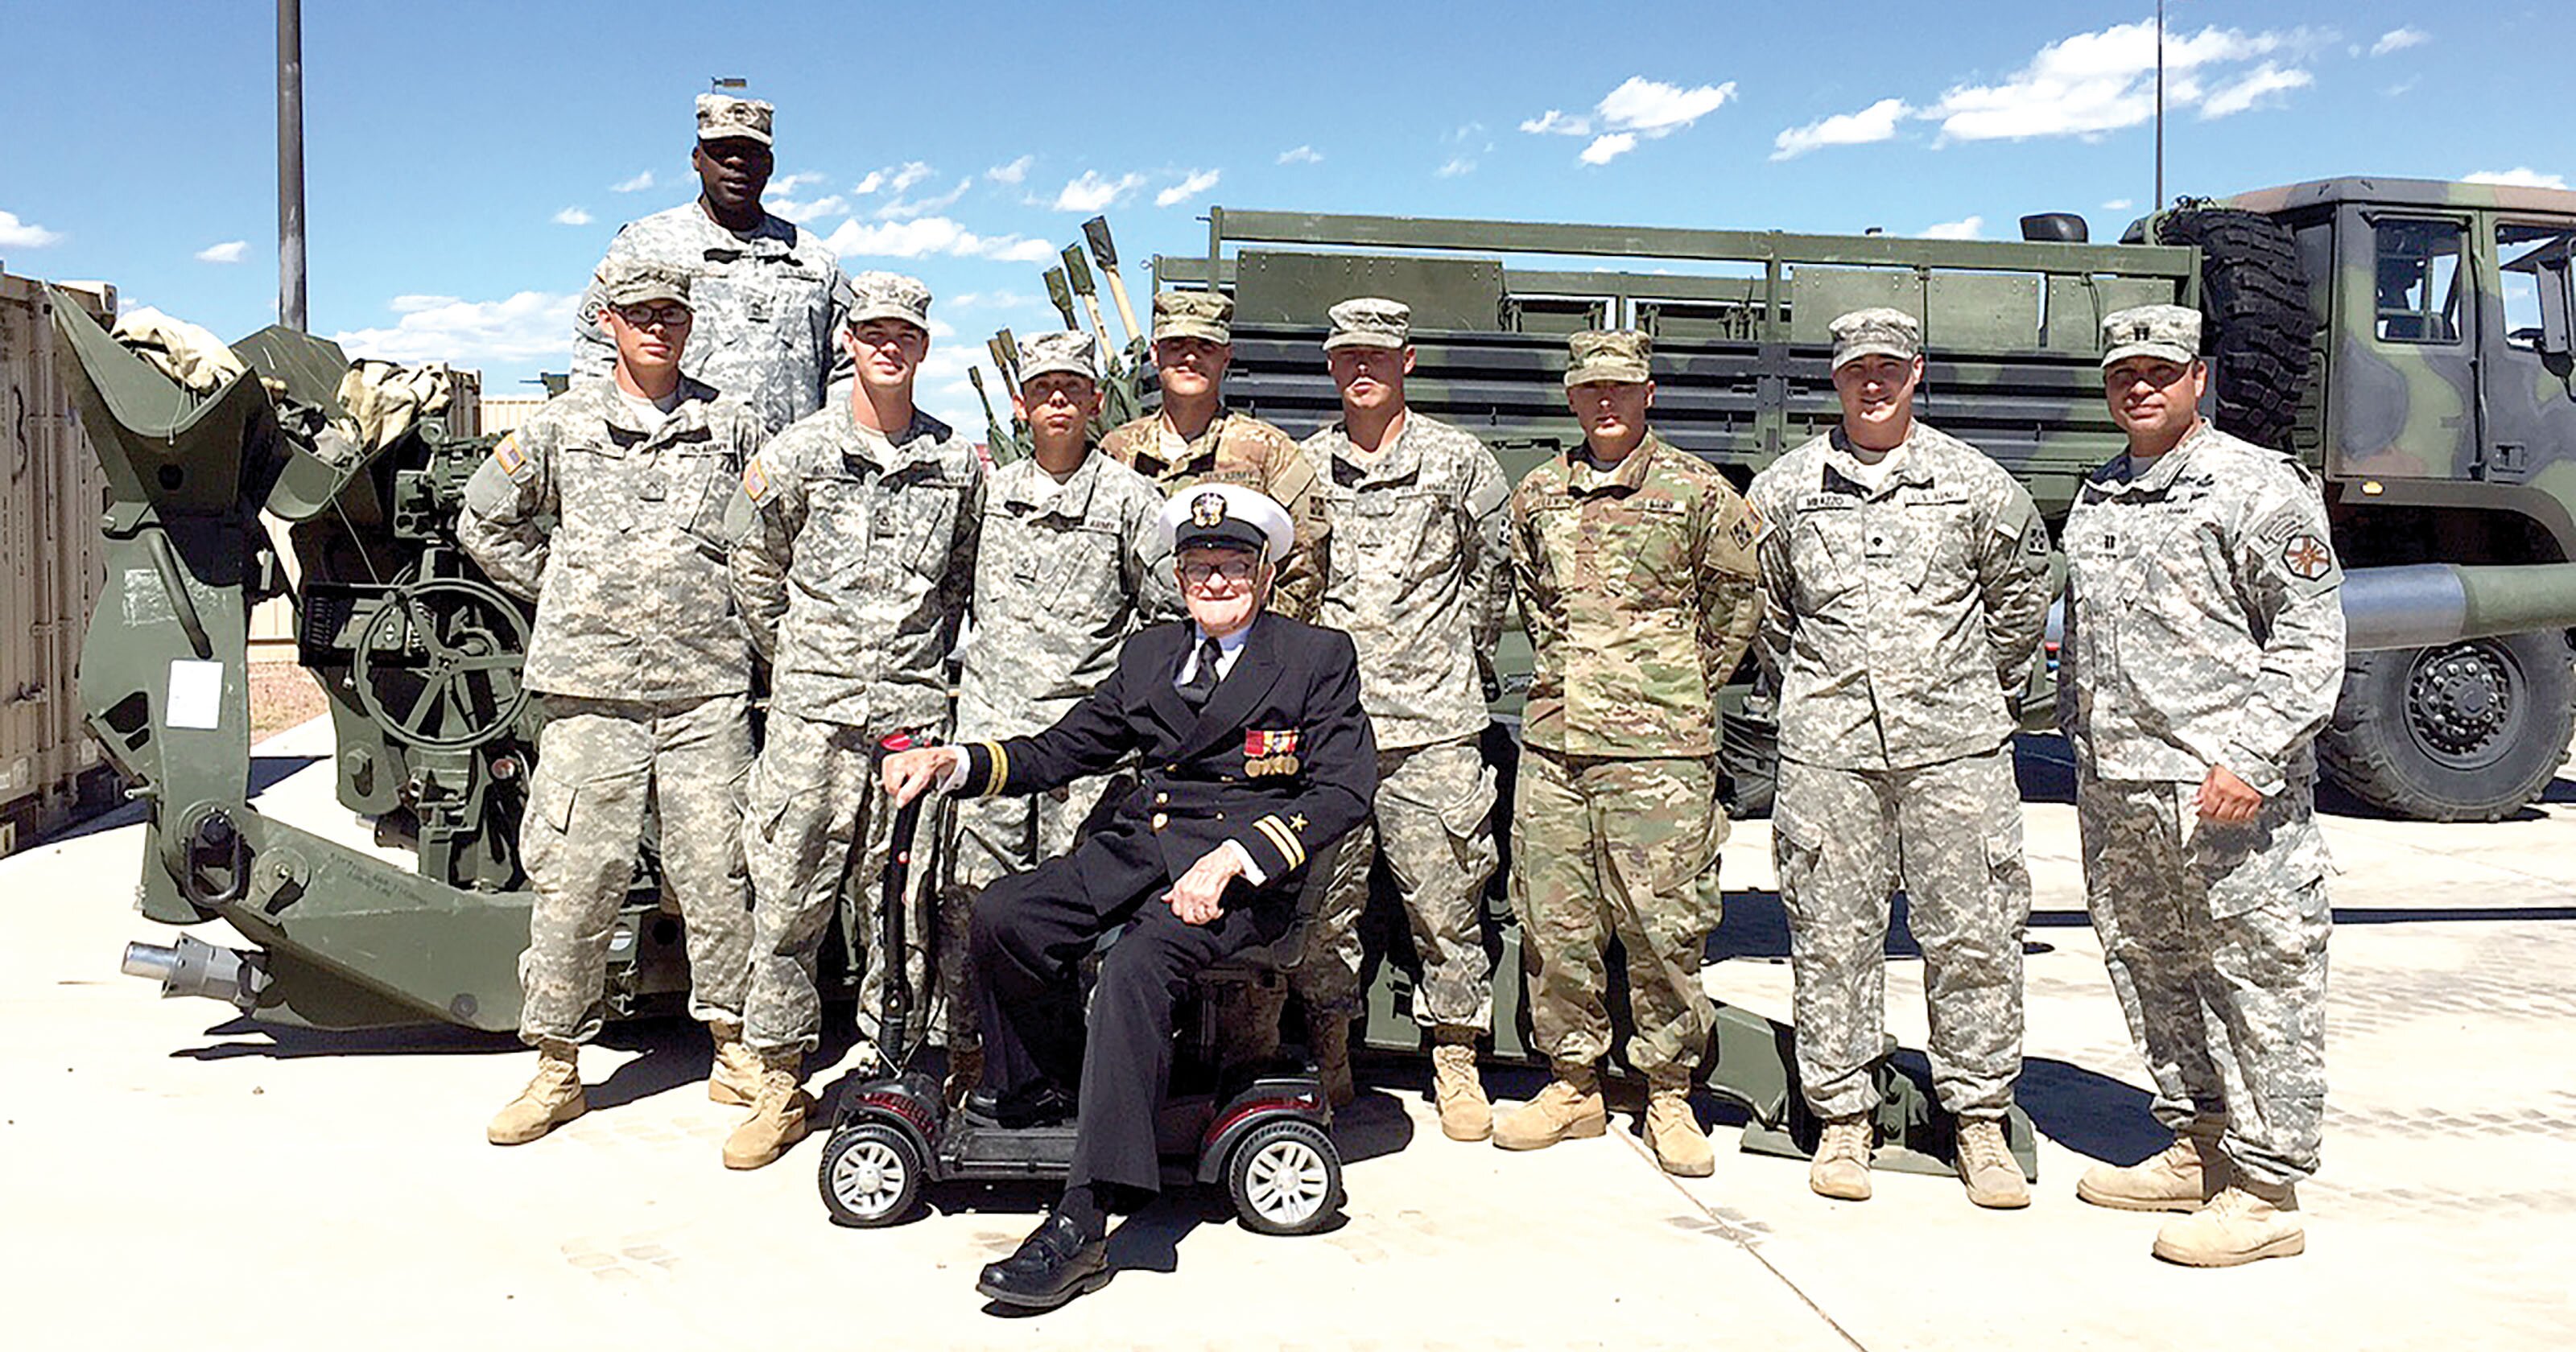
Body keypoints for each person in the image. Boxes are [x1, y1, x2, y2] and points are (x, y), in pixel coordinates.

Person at [881, 484, 1376, 1311]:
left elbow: (1341, 792)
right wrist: (953, 762)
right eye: (1196, 566)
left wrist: (1236, 857)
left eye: (1229, 565)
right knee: (1004, 917)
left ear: (1262, 571)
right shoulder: (1149, 655)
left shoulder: (1314, 656)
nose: (1212, 581)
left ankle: (1084, 1216)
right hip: (1137, 853)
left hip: (1242, 882)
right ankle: (1051, 1090)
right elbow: (1065, 747)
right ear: (1177, 574)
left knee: (1138, 963)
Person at [1746, 307, 2053, 1207]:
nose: (1871, 383)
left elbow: (2018, 603)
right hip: (1828, 754)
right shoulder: (1786, 490)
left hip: (1953, 752)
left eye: (1887, 367)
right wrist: (1819, 690)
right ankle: (1843, 1121)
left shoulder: (1975, 486)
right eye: (1854, 371)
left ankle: (1980, 1122)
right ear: (1834, 381)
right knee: (1831, 937)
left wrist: (1961, 695)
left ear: (1916, 372)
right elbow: (1766, 616)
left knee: (1973, 938)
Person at [2059, 303, 2343, 1266]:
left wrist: (2252, 758)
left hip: (2225, 793)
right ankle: (2197, 1143)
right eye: (2120, 374)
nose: (2137, 385)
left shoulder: (2254, 489)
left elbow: (2310, 637)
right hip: (2120, 786)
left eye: (2157, 370)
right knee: (2152, 968)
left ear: (2196, 379)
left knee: (2258, 979)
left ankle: (2266, 1191)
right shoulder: (2100, 492)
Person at [460, 259, 766, 1145]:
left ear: (689, 323)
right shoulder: (560, 425)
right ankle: (556, 1065)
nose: (656, 328)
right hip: (591, 693)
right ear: (607, 322)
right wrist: (562, 589)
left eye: (671, 313)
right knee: (576, 880)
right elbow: (485, 522)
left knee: (717, 875)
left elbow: (767, 531)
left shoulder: (733, 426)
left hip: (705, 687)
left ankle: (735, 1046)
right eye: (639, 315)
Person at [723, 271, 983, 1170]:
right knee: (788, 899)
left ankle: (895, 1070)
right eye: (871, 331)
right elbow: (753, 569)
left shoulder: (954, 465)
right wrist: (801, 661)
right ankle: (777, 1078)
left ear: (922, 346)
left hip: (910, 721)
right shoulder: (796, 454)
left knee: (902, 908)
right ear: (848, 341)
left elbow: (959, 582)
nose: (887, 346)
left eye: (903, 334)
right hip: (812, 721)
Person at [1492, 330, 1761, 1177]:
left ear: (1647, 391)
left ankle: (1668, 1091)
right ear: (1571, 397)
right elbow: (1535, 604)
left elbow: (1734, 607)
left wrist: (1670, 689)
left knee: (1663, 926)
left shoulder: (1695, 492)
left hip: (1661, 754)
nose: (1604, 401)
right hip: (1555, 743)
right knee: (1553, 924)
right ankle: (1571, 1083)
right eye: (1588, 388)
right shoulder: (1537, 494)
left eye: (1620, 387)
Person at [1290, 297, 1512, 1136]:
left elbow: (1489, 582)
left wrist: (1454, 664)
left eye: (1377, 355)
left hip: (1433, 721)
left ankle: (1454, 1058)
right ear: (1330, 363)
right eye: (1346, 354)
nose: (1361, 368)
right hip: (1333, 728)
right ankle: (1330, 1053)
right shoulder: (1302, 468)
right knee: (1324, 905)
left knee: (1448, 900)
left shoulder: (1460, 464)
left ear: (1406, 361)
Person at [943, 329, 1179, 1100]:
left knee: (1077, 920)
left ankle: (1080, 1080)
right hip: (992, 744)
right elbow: (949, 588)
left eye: (1071, 389)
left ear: (1094, 402)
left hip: (1087, 755)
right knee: (974, 909)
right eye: (1042, 388)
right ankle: (976, 1064)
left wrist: (1128, 713)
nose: (1056, 401)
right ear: (1021, 402)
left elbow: (1167, 618)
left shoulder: (1130, 501)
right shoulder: (989, 494)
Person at [571, 93, 852, 436]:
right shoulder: (644, 245)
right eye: (721, 153)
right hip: (679, 470)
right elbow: (595, 351)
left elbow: (848, 366)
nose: (736, 163)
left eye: (750, 153)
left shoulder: (814, 259)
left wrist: (828, 445)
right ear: (696, 159)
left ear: (770, 164)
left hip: (786, 472)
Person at [1100, 291, 1330, 620]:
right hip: (1145, 656)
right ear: (1154, 353)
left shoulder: (1267, 450)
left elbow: (1303, 569)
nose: (1190, 358)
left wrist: (1262, 648)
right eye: (1176, 346)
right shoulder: (1118, 451)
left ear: (1227, 356)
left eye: (1205, 347)